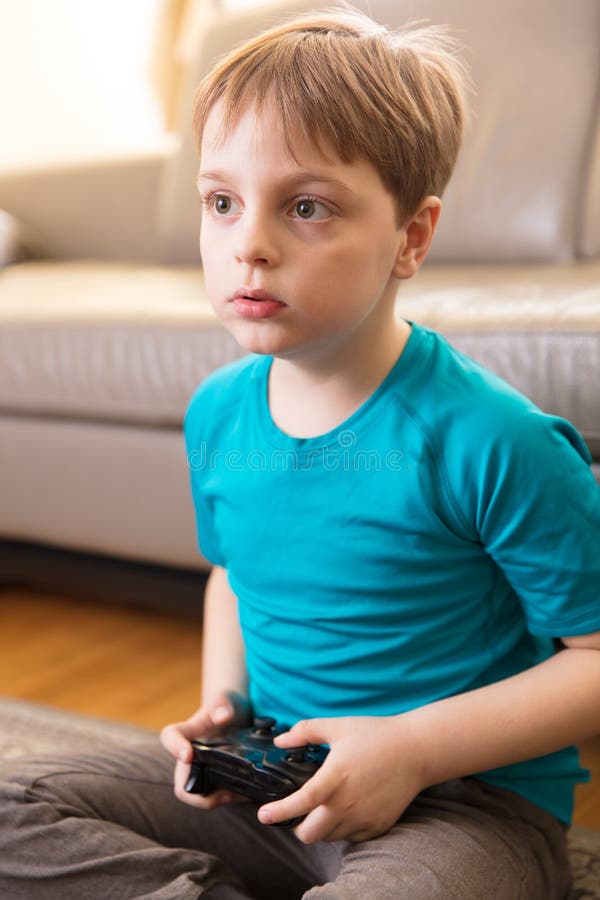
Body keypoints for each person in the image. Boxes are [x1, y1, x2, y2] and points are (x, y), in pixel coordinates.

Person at [1, 7, 599, 899]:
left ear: (412, 237)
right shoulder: (218, 412)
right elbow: (229, 575)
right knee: (17, 810)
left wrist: (410, 750)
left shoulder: (492, 438)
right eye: (221, 202)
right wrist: (223, 709)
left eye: (307, 206)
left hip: (460, 804)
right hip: (273, 778)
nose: (249, 243)